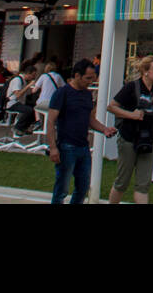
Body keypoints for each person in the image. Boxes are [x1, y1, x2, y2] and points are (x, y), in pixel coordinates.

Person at [46, 60, 114, 204]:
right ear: (77, 75)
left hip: (83, 147)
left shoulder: (87, 95)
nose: (91, 81)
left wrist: (104, 129)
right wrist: (53, 147)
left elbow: (90, 119)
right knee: (62, 188)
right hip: (66, 147)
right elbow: (51, 121)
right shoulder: (62, 93)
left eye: (93, 77)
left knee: (82, 187)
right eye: (88, 78)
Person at [108, 55, 153, 204]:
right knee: (122, 182)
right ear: (145, 72)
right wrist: (131, 115)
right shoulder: (131, 87)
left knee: (143, 185)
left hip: (148, 139)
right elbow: (111, 106)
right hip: (129, 138)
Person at [4, 63, 39, 134]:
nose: (33, 77)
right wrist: (29, 85)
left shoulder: (24, 81)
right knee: (29, 110)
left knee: (35, 110)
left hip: (20, 102)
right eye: (33, 75)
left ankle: (25, 127)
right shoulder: (18, 80)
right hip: (13, 103)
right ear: (28, 73)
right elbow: (18, 94)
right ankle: (18, 127)